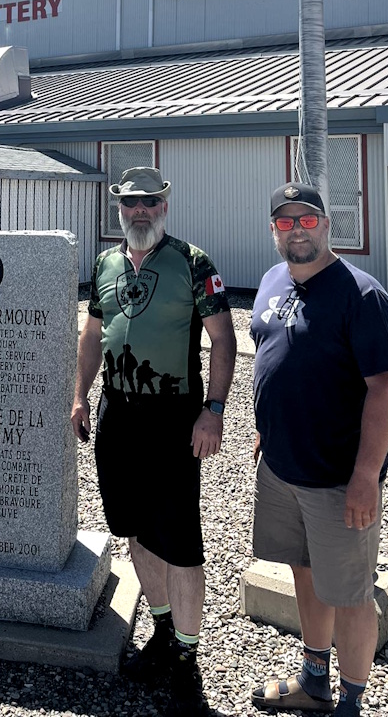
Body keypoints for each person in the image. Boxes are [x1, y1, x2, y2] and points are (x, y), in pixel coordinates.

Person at [71, 166, 236, 715]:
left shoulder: (193, 263)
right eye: (131, 202)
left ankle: (188, 663)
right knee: (134, 530)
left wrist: (212, 410)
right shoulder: (106, 263)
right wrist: (79, 395)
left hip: (173, 418)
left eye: (150, 202)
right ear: (119, 208)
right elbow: (93, 333)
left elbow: (222, 338)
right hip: (118, 415)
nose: (140, 210)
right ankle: (164, 634)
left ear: (164, 206)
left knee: (181, 542)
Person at [249, 182, 388, 716]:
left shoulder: (361, 295)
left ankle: (352, 702)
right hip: (282, 469)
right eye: (286, 222)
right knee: (303, 571)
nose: (297, 231)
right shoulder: (272, 280)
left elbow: (384, 384)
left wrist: (366, 475)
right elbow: (274, 352)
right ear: (274, 230)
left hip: (339, 478)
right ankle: (315, 681)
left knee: (352, 593)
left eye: (307, 220)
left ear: (327, 224)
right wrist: (268, 428)